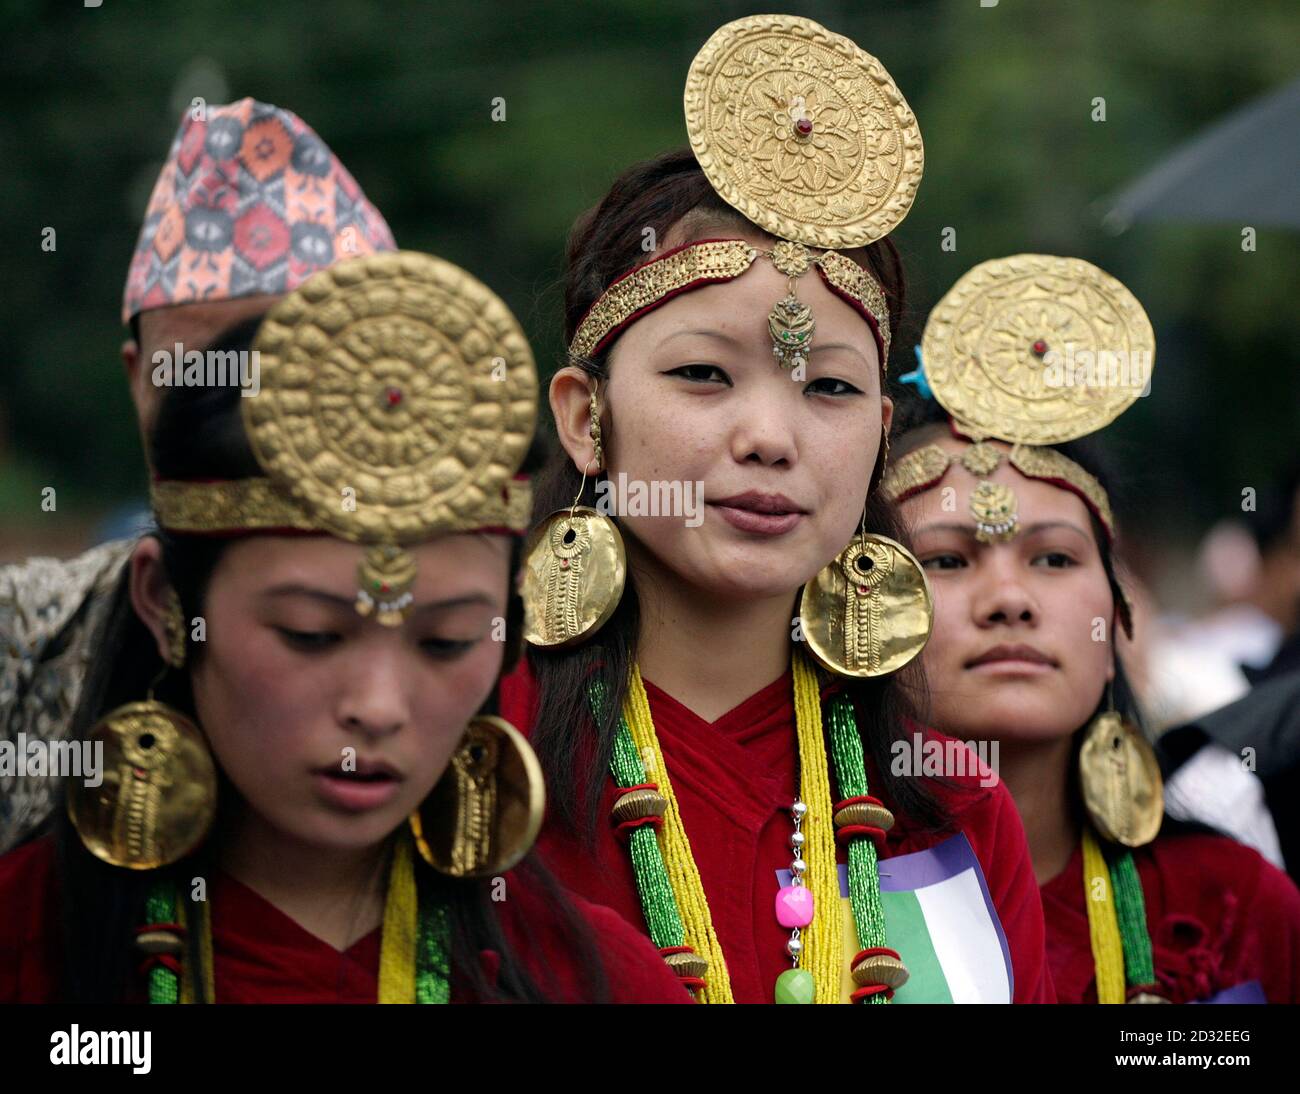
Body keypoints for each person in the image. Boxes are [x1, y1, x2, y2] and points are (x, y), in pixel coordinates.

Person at [500, 15, 1053, 1005]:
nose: (770, 435)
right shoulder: (481, 767)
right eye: (703, 373)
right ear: (586, 420)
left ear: (882, 434)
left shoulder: (954, 801)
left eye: (828, 388)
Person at [0, 252, 690, 1004]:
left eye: (447, 641)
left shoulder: (592, 978)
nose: (378, 706)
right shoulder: (26, 947)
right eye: (310, 634)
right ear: (166, 602)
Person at [885, 253, 1300, 1003]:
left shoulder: (1232, 904)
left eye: (1053, 558)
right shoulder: (806, 891)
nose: (1009, 599)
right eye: (947, 561)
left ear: (1117, 615)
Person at [1, 98, 395, 856]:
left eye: (294, 368)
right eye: (199, 381)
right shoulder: (24, 642)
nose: (239, 424)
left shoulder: (485, 636)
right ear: (135, 380)